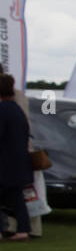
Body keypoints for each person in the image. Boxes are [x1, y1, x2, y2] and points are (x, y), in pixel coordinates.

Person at [0, 73, 33, 241]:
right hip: (19, 162)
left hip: (4, 163)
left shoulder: (3, 110)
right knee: (17, 199)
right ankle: (23, 229)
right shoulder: (17, 110)